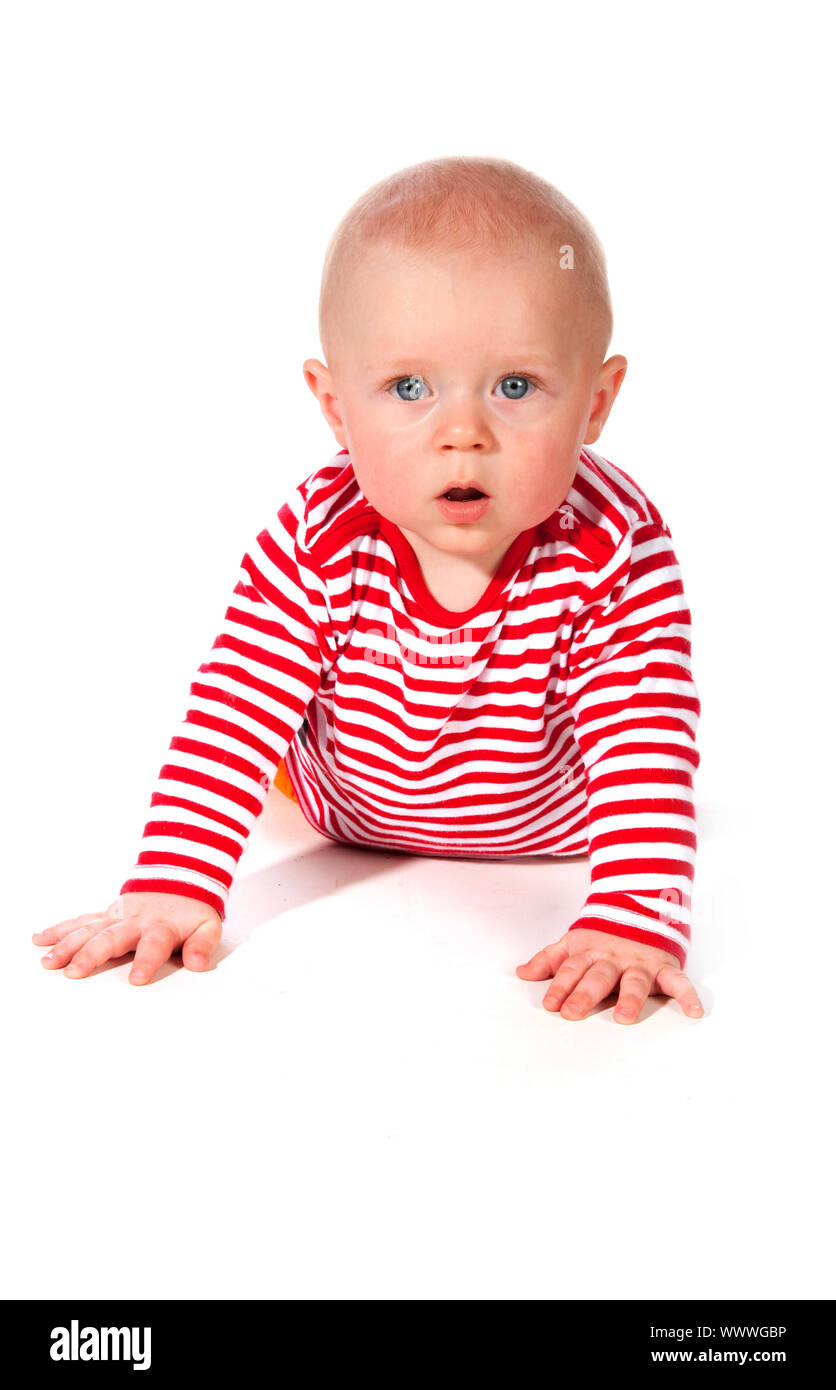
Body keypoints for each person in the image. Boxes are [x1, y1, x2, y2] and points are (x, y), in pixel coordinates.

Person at [33, 155, 704, 1025]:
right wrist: (173, 885)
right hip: (335, 801)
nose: (463, 434)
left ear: (597, 402)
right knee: (266, 720)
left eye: (516, 386)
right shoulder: (322, 535)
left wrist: (633, 924)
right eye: (408, 388)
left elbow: (647, 737)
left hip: (551, 823)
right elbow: (234, 709)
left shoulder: (613, 545)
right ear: (336, 406)